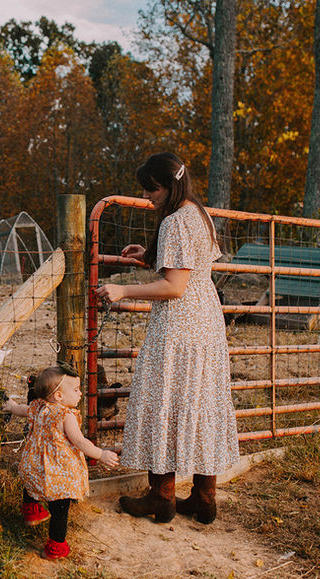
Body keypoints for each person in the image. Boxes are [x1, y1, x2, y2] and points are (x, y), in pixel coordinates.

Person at [96, 152, 239, 524]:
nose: (148, 197)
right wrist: (150, 256)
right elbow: (193, 264)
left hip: (179, 324)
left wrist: (123, 292)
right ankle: (205, 499)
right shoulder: (199, 213)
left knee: (165, 399)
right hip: (206, 320)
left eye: (153, 189)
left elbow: (175, 286)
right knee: (199, 400)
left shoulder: (175, 221)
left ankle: (162, 497)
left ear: (170, 186)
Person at [3, 365, 119, 559]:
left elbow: (23, 410)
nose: (80, 393)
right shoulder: (66, 416)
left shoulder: (38, 406)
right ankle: (56, 547)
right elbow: (80, 441)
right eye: (75, 390)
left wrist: (11, 407)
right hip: (59, 471)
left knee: (31, 484)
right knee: (60, 509)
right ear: (58, 396)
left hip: (35, 464)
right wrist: (101, 454)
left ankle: (32, 511)